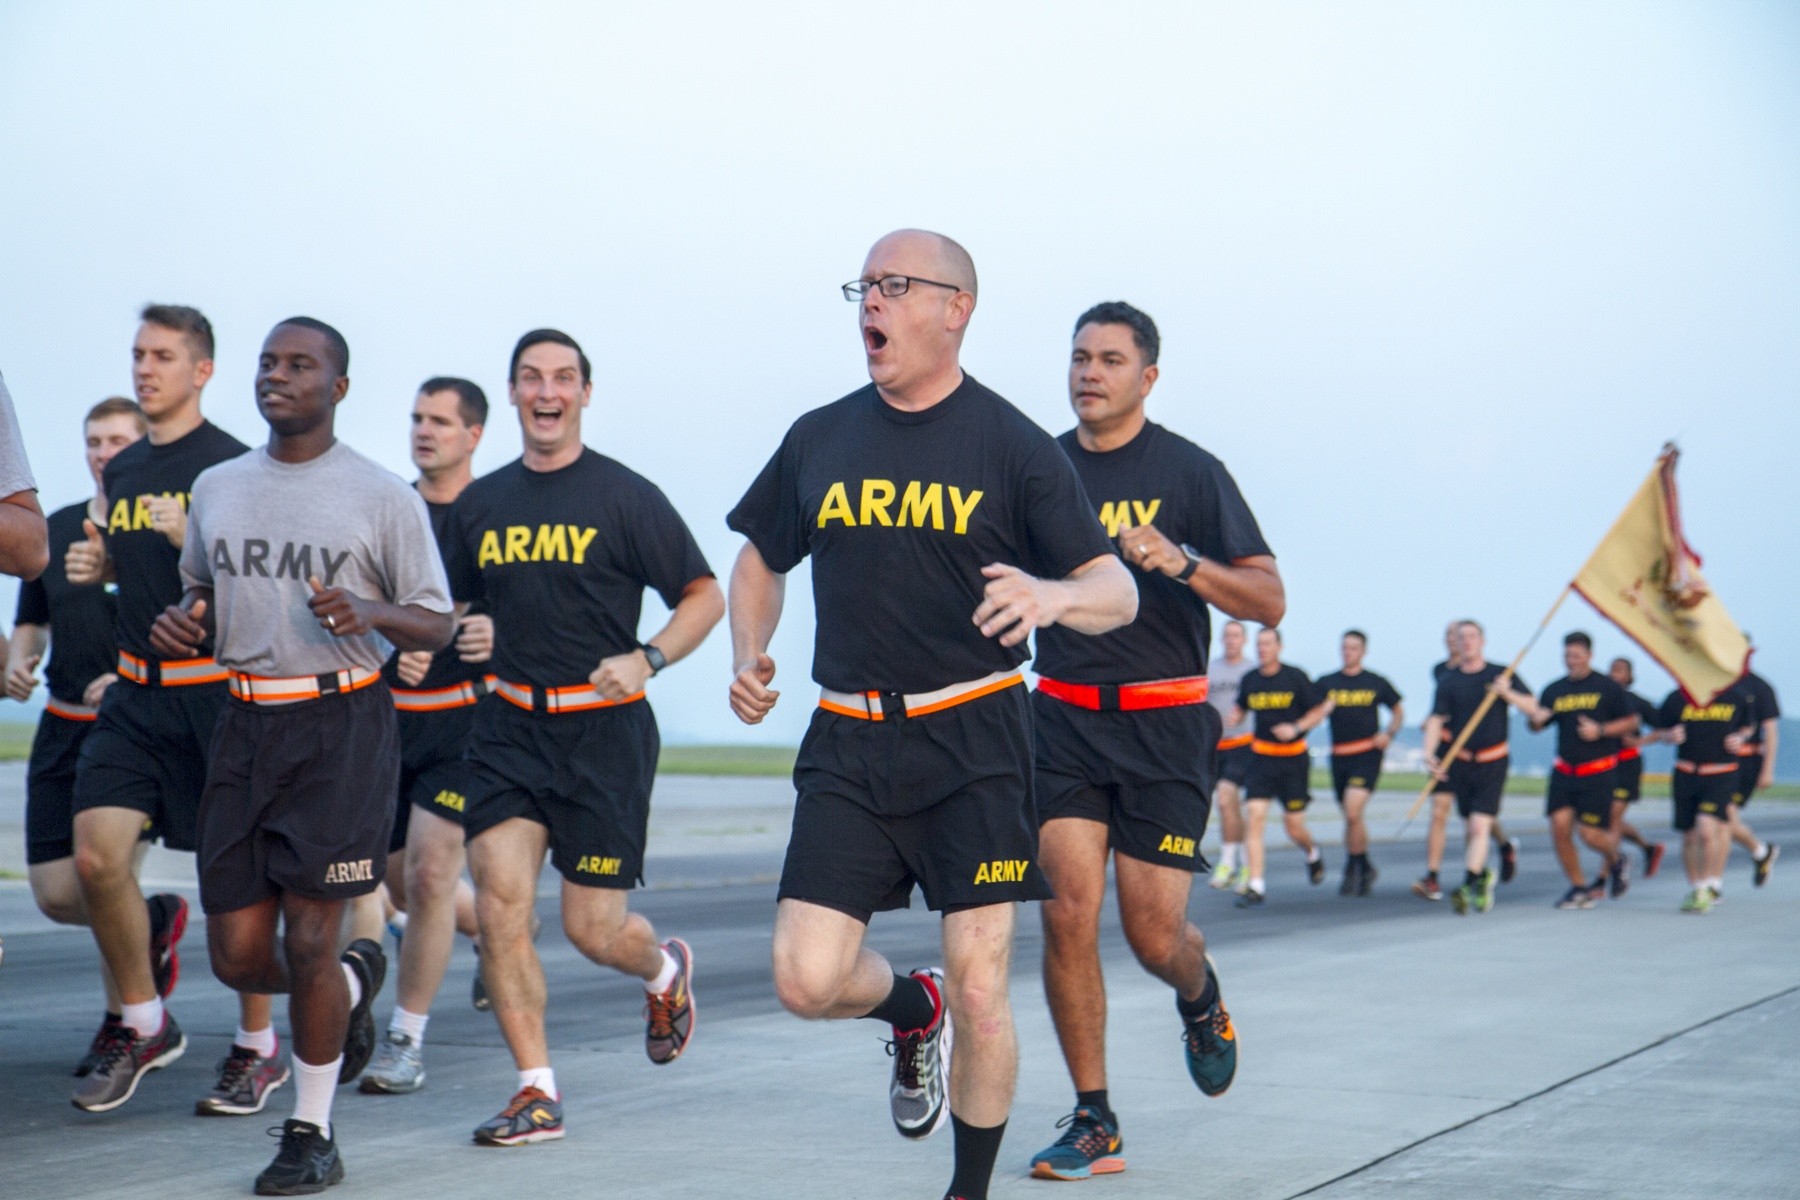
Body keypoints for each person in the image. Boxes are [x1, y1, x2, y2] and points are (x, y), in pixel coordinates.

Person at [726, 231, 1136, 1200]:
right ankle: (914, 1011)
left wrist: (1049, 595)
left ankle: (968, 1189)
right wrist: (749, 653)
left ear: (956, 309)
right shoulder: (820, 435)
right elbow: (760, 559)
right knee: (806, 979)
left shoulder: (1012, 445)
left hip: (977, 737)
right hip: (848, 738)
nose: (871, 303)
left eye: (894, 286)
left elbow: (1114, 587)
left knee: (986, 984)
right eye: (863, 287)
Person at [153, 316, 454, 1193]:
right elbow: (200, 594)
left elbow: (436, 619)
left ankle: (310, 1132)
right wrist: (184, 625)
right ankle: (355, 992)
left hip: (340, 726)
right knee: (240, 957)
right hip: (242, 725)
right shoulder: (217, 486)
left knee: (311, 935)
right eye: (268, 363)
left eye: (300, 366)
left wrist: (374, 613)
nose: (278, 377)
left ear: (339, 387)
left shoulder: (380, 496)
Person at [441, 328, 722, 1146]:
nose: (547, 391)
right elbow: (453, 609)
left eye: (563, 377)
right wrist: (466, 630)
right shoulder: (480, 505)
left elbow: (702, 594)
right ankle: (536, 1090)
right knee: (499, 910)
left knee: (591, 930)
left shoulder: (624, 496)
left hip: (603, 734)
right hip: (507, 729)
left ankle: (663, 969)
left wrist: (651, 657)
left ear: (585, 393)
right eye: (531, 378)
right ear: (514, 393)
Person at [1026, 302, 1281, 1180]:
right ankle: (1095, 1118)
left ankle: (1199, 994)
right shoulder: (1041, 466)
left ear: (1148, 377)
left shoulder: (1191, 472)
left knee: (1152, 935)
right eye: (1078, 358)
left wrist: (1181, 561)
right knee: (1066, 914)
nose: (1089, 373)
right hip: (1059, 715)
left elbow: (1268, 598)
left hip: (1166, 725)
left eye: (1108, 359)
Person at [65, 306, 281, 1116]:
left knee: (236, 885)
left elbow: (269, 591)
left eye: (162, 356)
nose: (144, 369)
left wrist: (200, 535)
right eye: (137, 354)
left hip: (215, 698)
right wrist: (100, 563)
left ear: (203, 370)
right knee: (95, 859)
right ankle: (144, 1020)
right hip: (133, 695)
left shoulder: (234, 468)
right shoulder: (121, 470)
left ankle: (258, 1048)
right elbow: (135, 570)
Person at [358, 378, 493, 1095]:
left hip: (464, 724)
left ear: (473, 434)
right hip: (383, 721)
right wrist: (390, 639)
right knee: (389, 879)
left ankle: (404, 1040)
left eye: (440, 421)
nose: (424, 431)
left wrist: (490, 631)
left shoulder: (495, 512)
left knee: (433, 872)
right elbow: (350, 603)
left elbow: (535, 611)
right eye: (416, 418)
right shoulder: (387, 508)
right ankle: (493, 931)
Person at [6, 398, 149, 1071]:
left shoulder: (156, 533)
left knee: (103, 876)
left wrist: (127, 676)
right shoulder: (57, 527)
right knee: (57, 893)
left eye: (118, 439)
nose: (103, 451)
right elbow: (33, 614)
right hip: (60, 723)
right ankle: (157, 926)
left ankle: (126, 1022)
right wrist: (19, 655)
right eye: (94, 440)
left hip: (132, 729)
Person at [1509, 632, 1637, 910]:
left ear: (1589, 656)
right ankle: (1579, 887)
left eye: (1577, 656)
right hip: (1564, 770)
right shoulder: (1555, 689)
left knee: (1589, 834)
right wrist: (1535, 720)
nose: (1571, 661)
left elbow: (1631, 721)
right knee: (1558, 827)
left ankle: (1617, 859)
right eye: (1567, 656)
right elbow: (1537, 726)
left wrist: (1601, 730)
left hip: (1598, 770)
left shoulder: (1607, 687)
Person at [1420, 621, 1531, 915]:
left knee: (1479, 825)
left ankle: (1468, 883)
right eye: (1461, 637)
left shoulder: (1501, 674)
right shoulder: (1448, 680)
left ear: (1482, 640)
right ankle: (1482, 875)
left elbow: (1535, 709)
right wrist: (1429, 753)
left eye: (1472, 636)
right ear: (1454, 643)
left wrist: (1508, 694)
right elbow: (1435, 719)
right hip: (1461, 762)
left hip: (1493, 761)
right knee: (1471, 823)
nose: (1467, 642)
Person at [1230, 627, 1328, 907]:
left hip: (1293, 759)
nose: (1262, 649)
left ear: (1279, 647)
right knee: (1255, 816)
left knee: (1294, 827)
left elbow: (1318, 711)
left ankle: (1311, 851)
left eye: (1268, 644)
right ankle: (1256, 885)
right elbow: (1241, 709)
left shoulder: (1295, 677)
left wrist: (1296, 727)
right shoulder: (1250, 680)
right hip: (1261, 758)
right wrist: (1232, 718)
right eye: (1259, 645)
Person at [1643, 681, 1757, 912]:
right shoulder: (1677, 698)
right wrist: (1669, 735)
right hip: (1686, 772)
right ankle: (1696, 887)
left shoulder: (1734, 697)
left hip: (1721, 772)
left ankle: (1707, 887)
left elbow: (1748, 725)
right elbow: (1660, 730)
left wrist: (1740, 738)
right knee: (1689, 836)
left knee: (1706, 828)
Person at [1314, 629, 1403, 896]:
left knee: (1353, 810)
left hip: (1367, 755)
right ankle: (1364, 864)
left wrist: (1388, 733)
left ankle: (1352, 867)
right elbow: (1310, 711)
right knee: (1351, 817)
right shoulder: (1327, 683)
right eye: (1344, 647)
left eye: (1353, 648)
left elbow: (1398, 710)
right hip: (1339, 756)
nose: (1348, 652)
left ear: (1363, 651)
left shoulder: (1375, 681)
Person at [1606, 656, 1666, 877]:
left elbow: (1663, 727)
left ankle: (1609, 873)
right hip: (1604, 765)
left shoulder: (1636, 702)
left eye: (1620, 670)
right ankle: (1648, 848)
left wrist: (1640, 741)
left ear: (1630, 676)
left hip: (1628, 764)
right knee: (1607, 819)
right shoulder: (1601, 699)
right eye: (1612, 669)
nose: (1614, 674)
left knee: (1611, 819)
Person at [1206, 621, 1254, 891]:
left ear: (1244, 640)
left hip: (1244, 744)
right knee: (1226, 806)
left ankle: (1233, 862)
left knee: (1228, 800)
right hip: (1215, 746)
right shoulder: (1212, 668)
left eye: (1236, 636)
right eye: (1227, 636)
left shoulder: (1251, 670)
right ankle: (1235, 861)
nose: (1231, 640)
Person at [1730, 655, 1780, 887]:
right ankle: (1761, 851)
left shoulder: (1759, 687)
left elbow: (1770, 731)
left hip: (1746, 762)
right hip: (1713, 759)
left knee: (1722, 818)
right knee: (1711, 823)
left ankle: (1710, 885)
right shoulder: (1713, 680)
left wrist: (1767, 770)